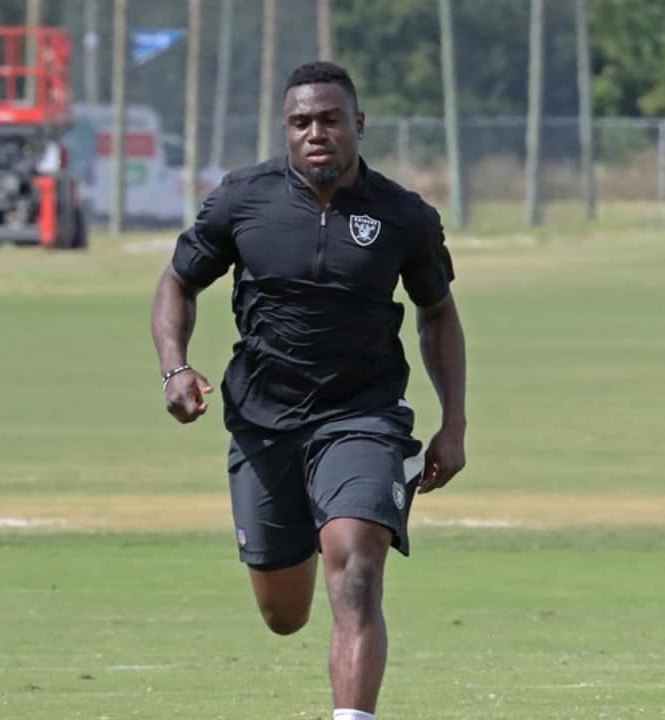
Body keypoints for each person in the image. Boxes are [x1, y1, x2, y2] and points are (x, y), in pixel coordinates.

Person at [149, 61, 467, 720]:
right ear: (286, 130)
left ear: (358, 124)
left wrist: (454, 423)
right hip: (262, 423)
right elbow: (177, 283)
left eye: (329, 119)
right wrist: (174, 366)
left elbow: (438, 311)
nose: (315, 133)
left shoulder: (403, 216)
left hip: (364, 416)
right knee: (283, 613)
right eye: (301, 122)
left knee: (356, 568)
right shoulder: (242, 199)